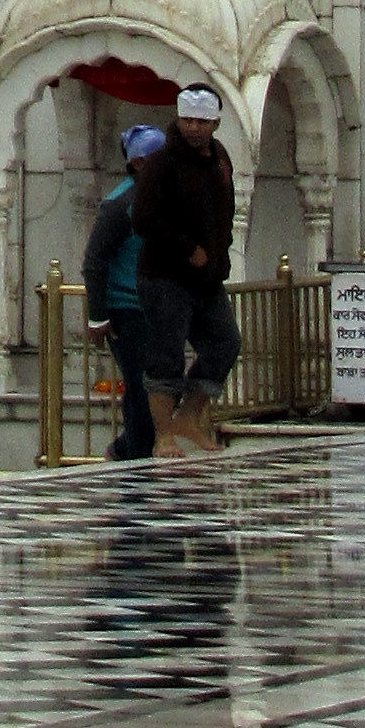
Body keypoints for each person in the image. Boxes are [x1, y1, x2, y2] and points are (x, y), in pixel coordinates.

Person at [131, 86, 239, 454]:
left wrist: (217, 256)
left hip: (207, 278)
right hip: (165, 276)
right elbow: (144, 218)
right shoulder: (161, 164)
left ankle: (188, 419)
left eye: (201, 121)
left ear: (215, 122)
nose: (193, 128)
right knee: (167, 355)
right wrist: (187, 248)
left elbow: (225, 209)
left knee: (225, 343)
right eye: (187, 120)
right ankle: (163, 435)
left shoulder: (220, 158)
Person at [83, 124, 167, 461]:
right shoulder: (120, 204)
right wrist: (98, 316)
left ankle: (127, 449)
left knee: (157, 384)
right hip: (127, 310)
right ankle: (134, 456)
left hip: (157, 306)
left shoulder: (164, 197)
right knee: (141, 386)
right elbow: (95, 261)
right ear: (139, 163)